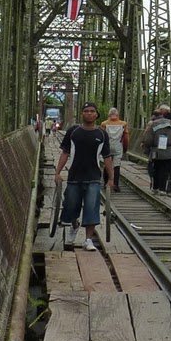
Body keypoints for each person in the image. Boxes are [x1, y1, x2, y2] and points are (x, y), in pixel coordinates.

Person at [56, 102, 113, 248]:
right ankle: (74, 224)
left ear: (96, 114)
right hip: (74, 177)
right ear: (81, 113)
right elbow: (65, 153)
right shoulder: (73, 132)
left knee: (91, 208)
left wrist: (111, 178)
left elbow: (107, 157)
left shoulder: (102, 134)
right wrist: (58, 172)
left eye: (92, 111)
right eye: (86, 111)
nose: (89, 113)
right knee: (70, 206)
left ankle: (88, 240)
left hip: (93, 177)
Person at [141, 104, 171, 194]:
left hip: (156, 152)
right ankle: (163, 189)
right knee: (166, 170)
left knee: (156, 168)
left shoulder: (154, 124)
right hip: (170, 151)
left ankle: (155, 187)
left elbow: (148, 140)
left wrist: (147, 150)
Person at [102, 108, 130, 191]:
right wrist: (125, 148)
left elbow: (102, 136)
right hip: (118, 146)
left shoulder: (104, 124)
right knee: (117, 166)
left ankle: (106, 183)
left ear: (109, 114)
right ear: (118, 115)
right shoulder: (123, 124)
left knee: (107, 165)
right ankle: (116, 185)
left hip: (107, 146)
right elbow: (126, 138)